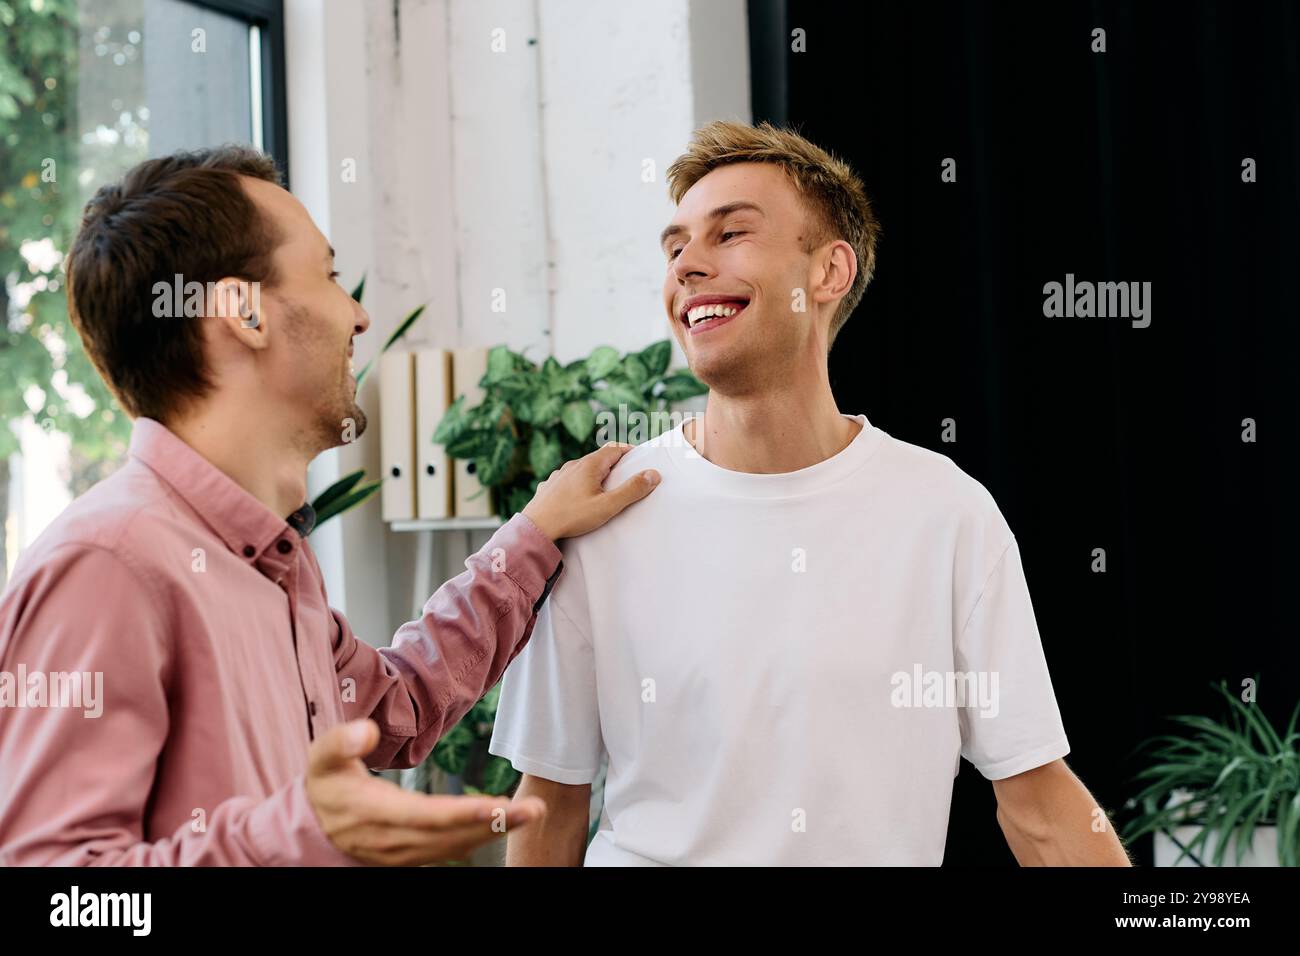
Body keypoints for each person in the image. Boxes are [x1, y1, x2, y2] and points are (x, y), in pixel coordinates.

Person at [490, 121, 1131, 866]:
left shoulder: (947, 514)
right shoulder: (605, 512)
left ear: (828, 274)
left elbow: (1040, 806)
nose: (687, 266)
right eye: (674, 248)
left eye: (730, 235)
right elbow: (550, 806)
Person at [0, 146, 661, 866]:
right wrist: (295, 834)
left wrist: (535, 532)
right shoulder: (108, 564)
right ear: (245, 314)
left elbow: (397, 706)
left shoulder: (274, 565)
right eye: (331, 275)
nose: (360, 315)